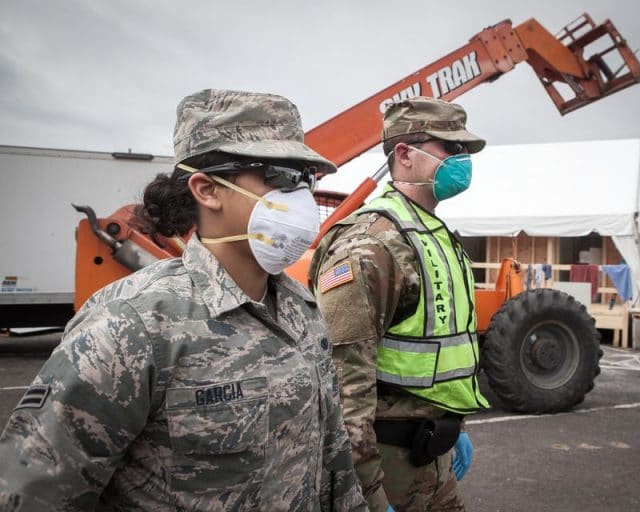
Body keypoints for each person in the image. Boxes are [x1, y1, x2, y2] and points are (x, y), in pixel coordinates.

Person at [0, 89, 367, 511]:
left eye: (307, 179)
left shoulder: (302, 309)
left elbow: (333, 462)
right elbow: (30, 494)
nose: (301, 197)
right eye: (280, 178)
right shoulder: (130, 326)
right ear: (208, 189)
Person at [309, 97, 490, 512]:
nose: (462, 161)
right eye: (451, 148)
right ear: (405, 155)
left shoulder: (431, 232)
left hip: (433, 457)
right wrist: (368, 493)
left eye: (465, 151)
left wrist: (449, 420)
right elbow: (342, 381)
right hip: (387, 467)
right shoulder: (371, 242)